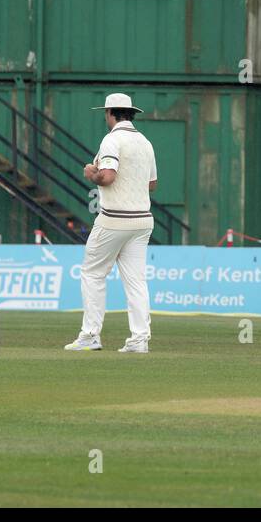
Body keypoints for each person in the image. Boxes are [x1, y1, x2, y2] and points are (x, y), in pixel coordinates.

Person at [64, 93, 158, 354]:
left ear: (111, 113)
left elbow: (107, 177)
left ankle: (91, 335)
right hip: (142, 221)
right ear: (131, 114)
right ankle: (140, 339)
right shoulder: (145, 142)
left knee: (92, 273)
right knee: (137, 282)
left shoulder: (112, 139)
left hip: (115, 218)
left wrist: (91, 173)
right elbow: (152, 185)